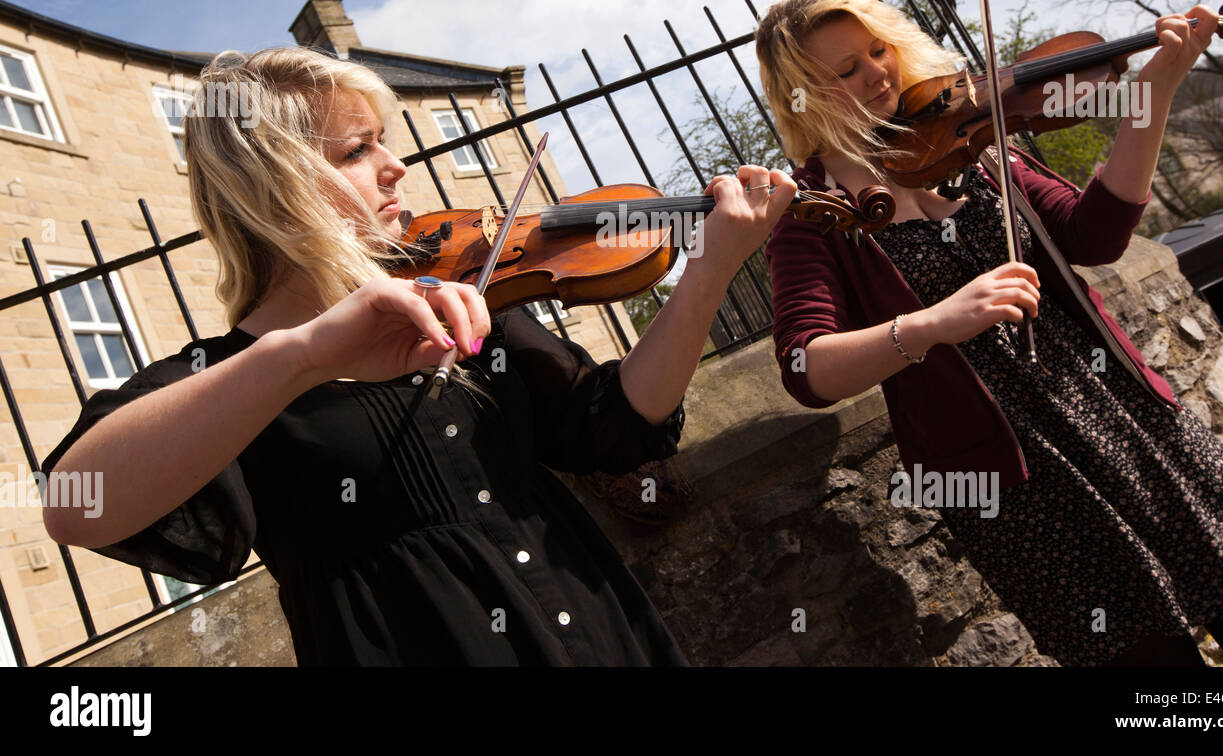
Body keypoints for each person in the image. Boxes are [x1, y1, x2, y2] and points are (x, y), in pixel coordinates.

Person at [40, 46, 797, 665]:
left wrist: (711, 269)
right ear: (271, 187)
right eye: (357, 149)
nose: (396, 164)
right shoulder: (225, 378)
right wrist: (301, 355)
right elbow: (75, 506)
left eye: (384, 139)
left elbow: (621, 419)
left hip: (599, 639)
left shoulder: (459, 304)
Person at [756, 0, 1223, 666]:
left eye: (878, 50)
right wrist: (931, 324)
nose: (878, 74)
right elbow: (808, 368)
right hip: (1018, 489)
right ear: (802, 93)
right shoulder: (814, 215)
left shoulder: (975, 144)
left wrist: (1154, 87)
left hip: (1127, 418)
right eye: (847, 70)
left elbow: (1094, 234)